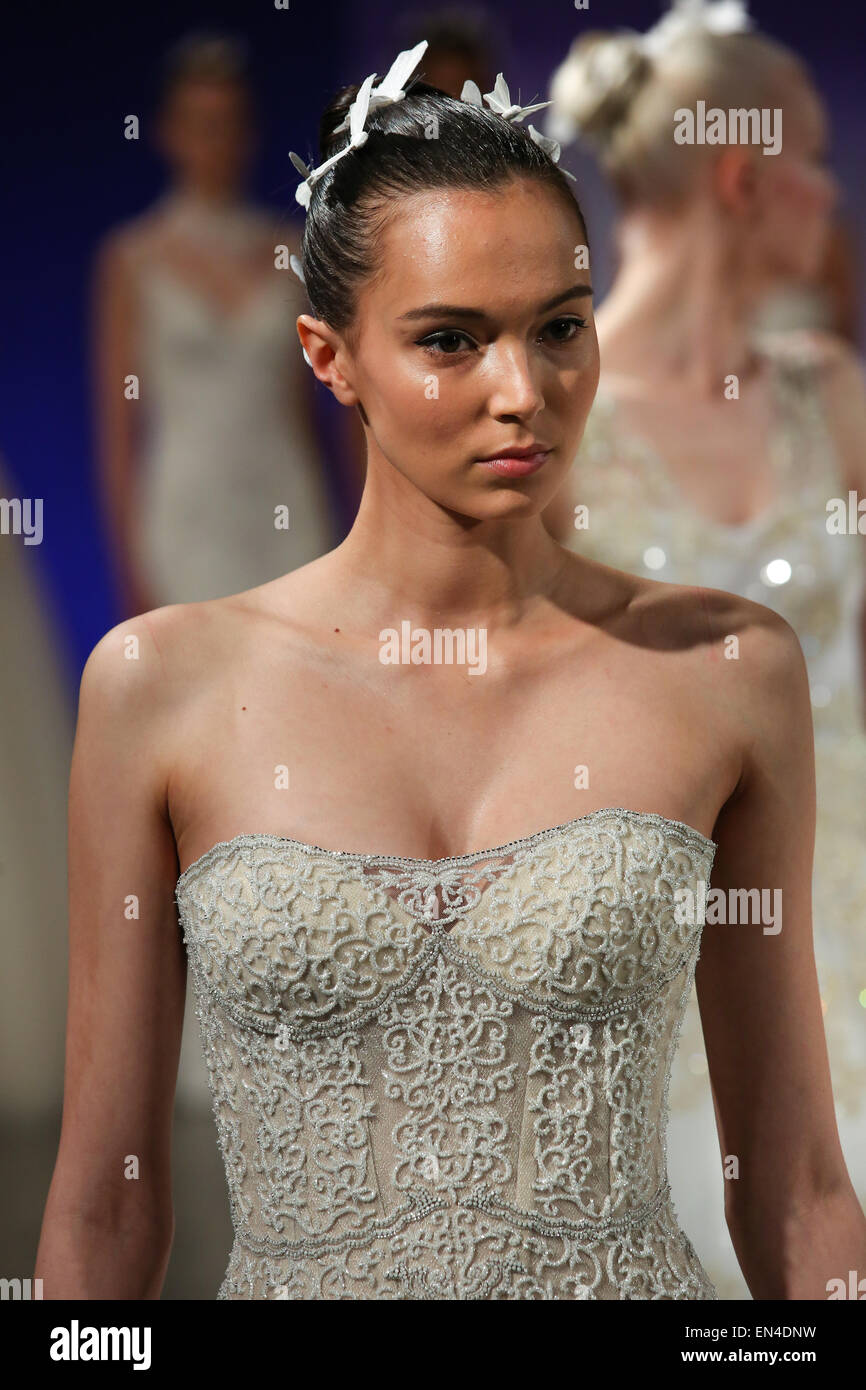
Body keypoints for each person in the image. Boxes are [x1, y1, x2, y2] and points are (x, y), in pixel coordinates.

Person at [36, 38, 866, 1301]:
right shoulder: (161, 685)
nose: (521, 390)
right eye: (450, 340)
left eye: (558, 329)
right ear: (328, 358)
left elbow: (796, 1186)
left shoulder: (723, 666)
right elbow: (103, 1207)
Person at [543, 1, 866, 1297]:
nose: (831, 194)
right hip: (658, 982)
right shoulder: (551, 422)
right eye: (819, 157)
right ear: (743, 176)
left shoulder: (829, 391)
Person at [92, 31, 337, 618]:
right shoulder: (132, 258)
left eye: (227, 122)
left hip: (286, 505)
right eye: (198, 122)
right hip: (185, 521)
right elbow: (119, 428)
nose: (214, 140)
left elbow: (311, 406)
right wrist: (128, 565)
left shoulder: (290, 249)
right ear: (168, 132)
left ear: (249, 132)